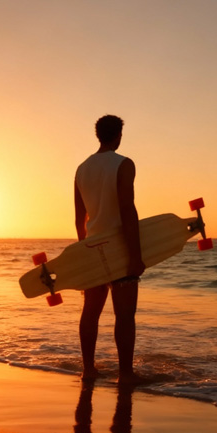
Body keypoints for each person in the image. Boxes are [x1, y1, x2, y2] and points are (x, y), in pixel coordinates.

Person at [73, 114, 145, 384]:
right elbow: (127, 209)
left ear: (98, 135)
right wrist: (135, 256)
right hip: (119, 247)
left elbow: (80, 218)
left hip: (92, 247)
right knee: (124, 315)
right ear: (119, 135)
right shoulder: (123, 164)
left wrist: (84, 252)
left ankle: (88, 369)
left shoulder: (82, 169)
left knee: (90, 312)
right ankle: (125, 374)